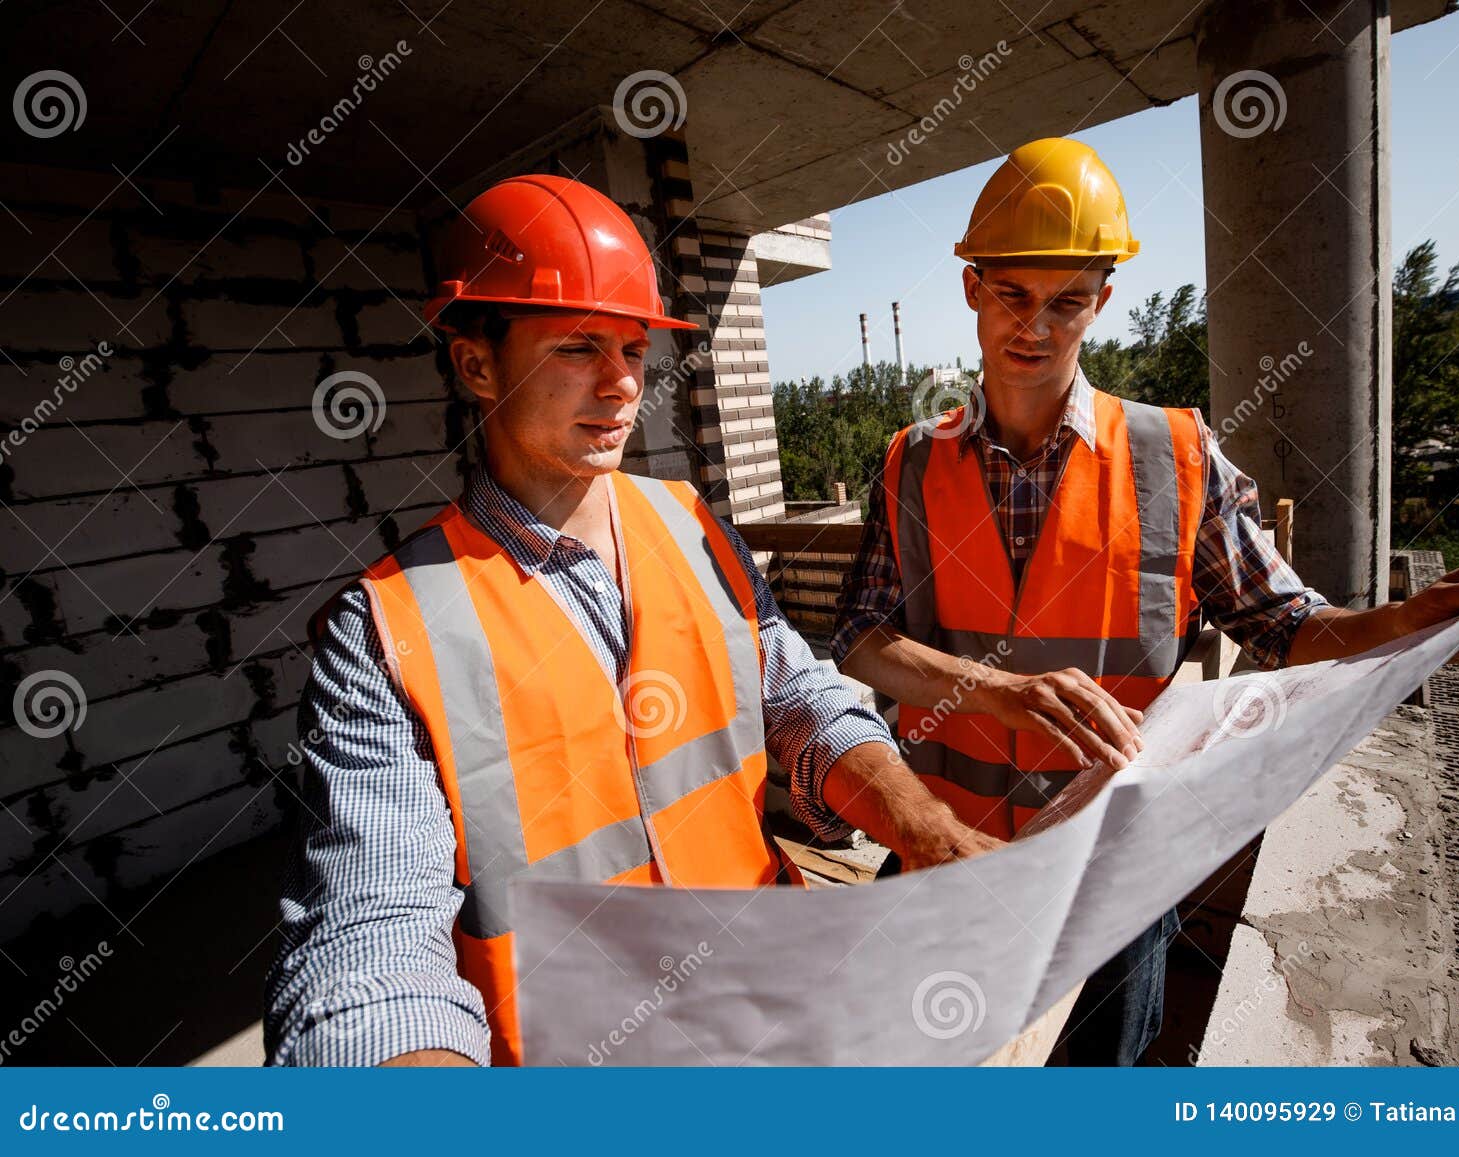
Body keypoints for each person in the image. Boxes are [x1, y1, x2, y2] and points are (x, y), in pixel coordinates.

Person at [265, 174, 1000, 1067]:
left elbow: (800, 700)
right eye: (578, 346)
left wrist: (921, 823)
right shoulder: (386, 630)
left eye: (633, 347)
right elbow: (368, 941)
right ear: (475, 362)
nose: (621, 384)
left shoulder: (691, 525)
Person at [833, 137, 1459, 1066]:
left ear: (1102, 300)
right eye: (1012, 293)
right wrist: (997, 690)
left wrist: (1416, 624)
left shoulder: (1175, 455)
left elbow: (1285, 628)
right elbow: (859, 637)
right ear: (973, 286)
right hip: (946, 848)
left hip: (1114, 867)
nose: (1035, 327)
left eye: (1067, 301)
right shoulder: (912, 460)